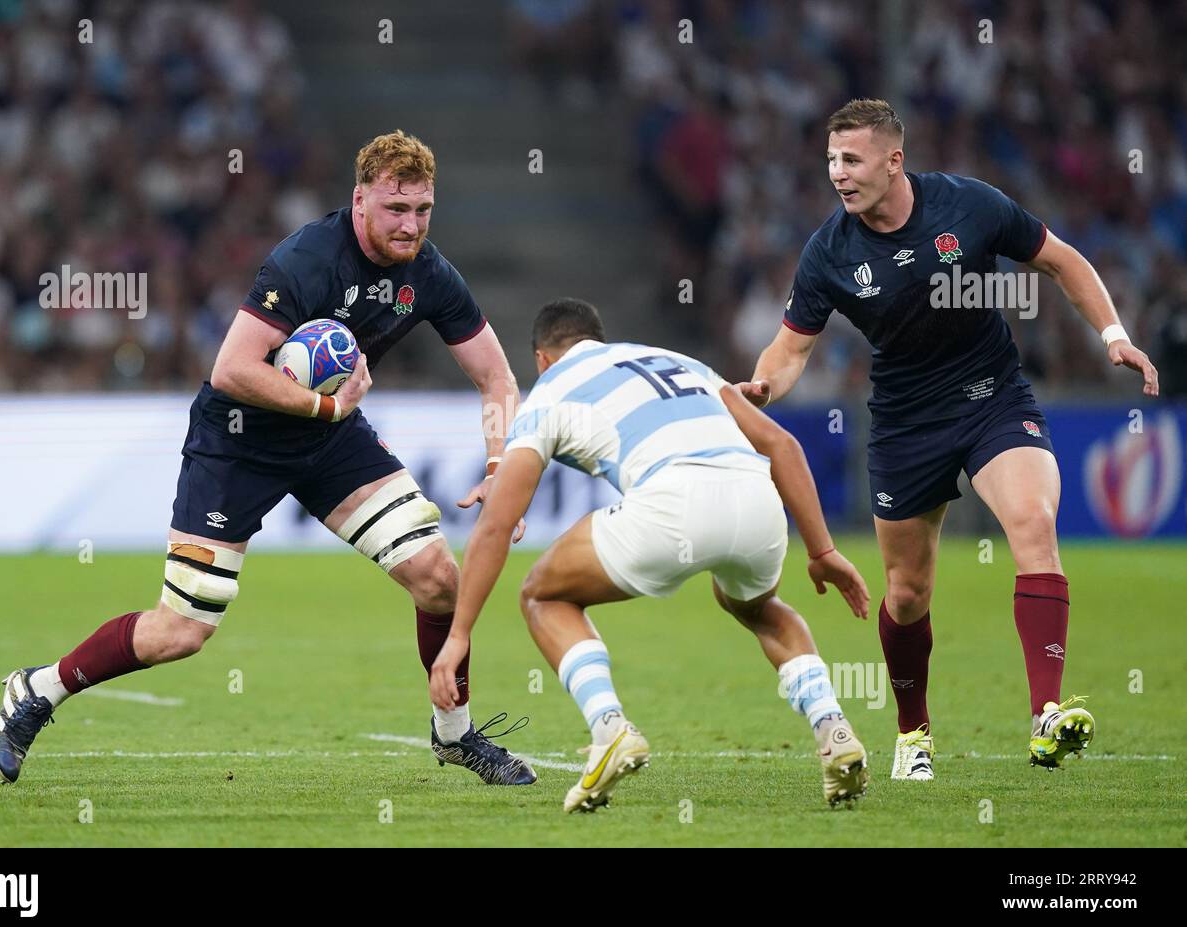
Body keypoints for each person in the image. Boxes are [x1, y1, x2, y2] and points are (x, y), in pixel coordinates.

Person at [0, 131, 536, 786]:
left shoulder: (430, 275)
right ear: (360, 201)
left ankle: (453, 734)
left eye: (422, 210)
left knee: (439, 577)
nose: (410, 225)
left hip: (328, 440)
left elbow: (498, 379)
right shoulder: (306, 259)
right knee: (181, 629)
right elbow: (231, 369)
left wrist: (502, 463)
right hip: (238, 439)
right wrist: (329, 407)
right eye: (395, 209)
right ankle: (39, 689)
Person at [739, 99, 1160, 778]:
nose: (838, 175)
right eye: (830, 161)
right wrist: (761, 385)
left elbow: (1061, 261)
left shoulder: (969, 206)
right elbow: (789, 351)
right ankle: (913, 733)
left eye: (851, 160)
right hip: (906, 423)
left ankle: (1045, 716)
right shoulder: (830, 251)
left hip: (993, 397)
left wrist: (1114, 334)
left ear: (893, 160)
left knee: (1032, 521)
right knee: (906, 592)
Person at [428, 298, 872, 812]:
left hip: (673, 504)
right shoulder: (681, 362)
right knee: (758, 609)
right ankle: (834, 728)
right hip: (757, 500)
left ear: (541, 359)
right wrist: (822, 551)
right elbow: (784, 447)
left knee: (542, 594)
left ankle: (609, 727)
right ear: (602, 339)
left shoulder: (548, 392)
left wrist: (458, 634)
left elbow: (495, 527)